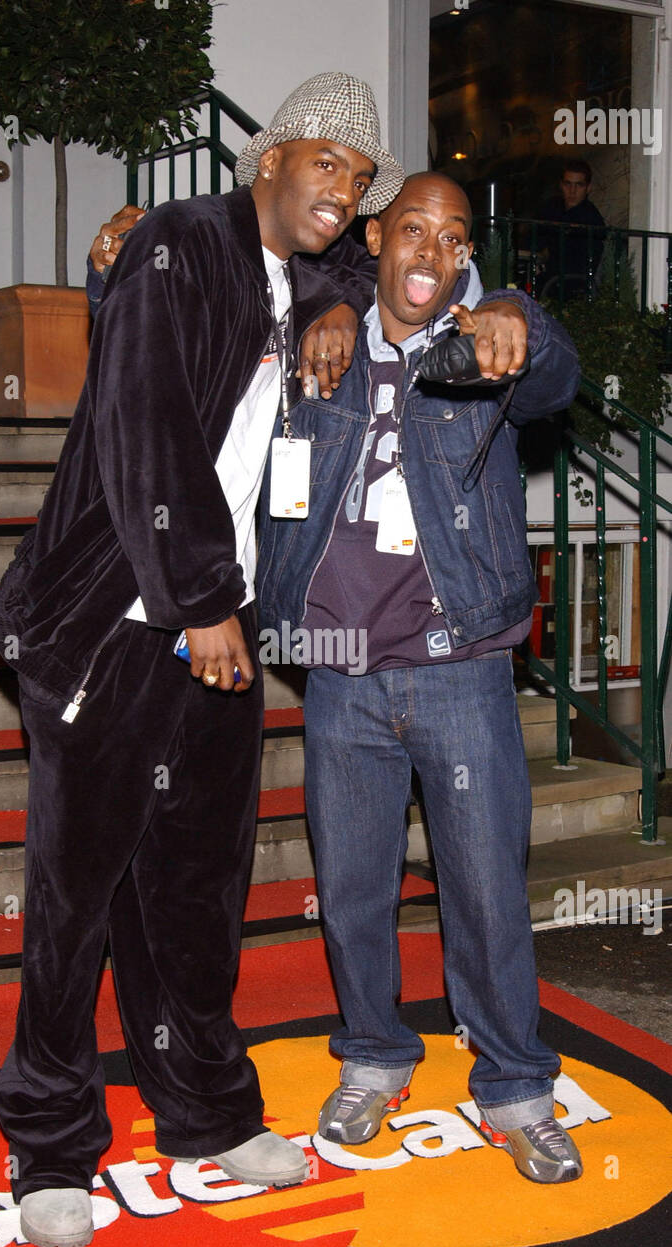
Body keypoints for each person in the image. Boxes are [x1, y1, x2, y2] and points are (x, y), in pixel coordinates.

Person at [0, 72, 405, 1247]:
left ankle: (208, 1114)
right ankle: (51, 1138)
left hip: (212, 627)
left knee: (196, 886)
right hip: (117, 620)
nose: (345, 189)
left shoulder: (302, 276)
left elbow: (369, 269)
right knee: (75, 894)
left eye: (359, 177)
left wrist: (337, 294)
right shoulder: (177, 240)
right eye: (325, 162)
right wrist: (205, 602)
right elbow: (145, 430)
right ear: (266, 158)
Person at [255, 172, 585, 1184]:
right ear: (375, 237)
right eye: (412, 231)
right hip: (339, 673)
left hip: (459, 671)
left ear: (463, 258)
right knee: (352, 890)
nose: (429, 253)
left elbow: (556, 377)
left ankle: (516, 1084)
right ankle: (372, 1054)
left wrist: (511, 314)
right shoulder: (322, 342)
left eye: (451, 238)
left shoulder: (483, 345)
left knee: (485, 892)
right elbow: (199, 359)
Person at [536, 159, 606, 294]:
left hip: (573, 287)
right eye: (568, 184)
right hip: (548, 282)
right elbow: (535, 240)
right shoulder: (552, 208)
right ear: (561, 185)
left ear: (588, 188)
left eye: (579, 185)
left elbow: (581, 264)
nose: (572, 191)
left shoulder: (591, 218)